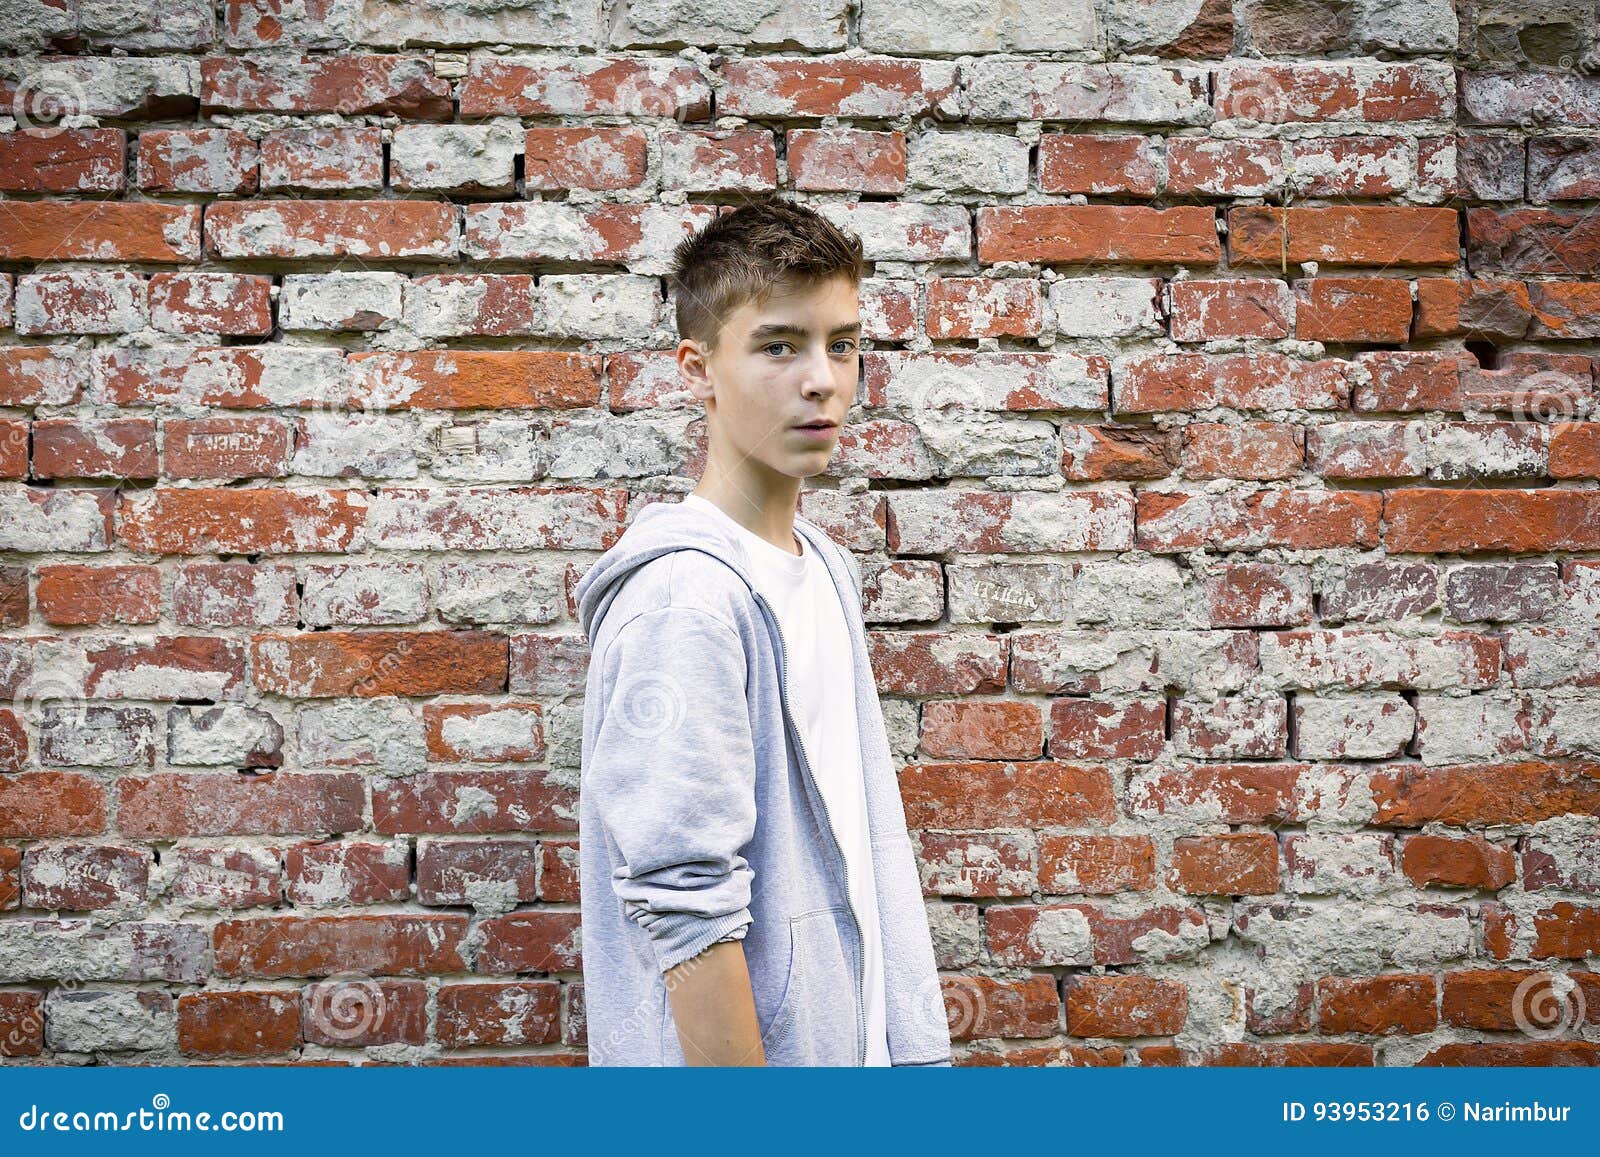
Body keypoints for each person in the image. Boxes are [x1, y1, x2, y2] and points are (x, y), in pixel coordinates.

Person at [573, 196, 953, 1067]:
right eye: (779, 345)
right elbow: (685, 902)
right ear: (696, 369)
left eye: (843, 344)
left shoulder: (822, 568)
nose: (822, 378)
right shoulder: (686, 600)